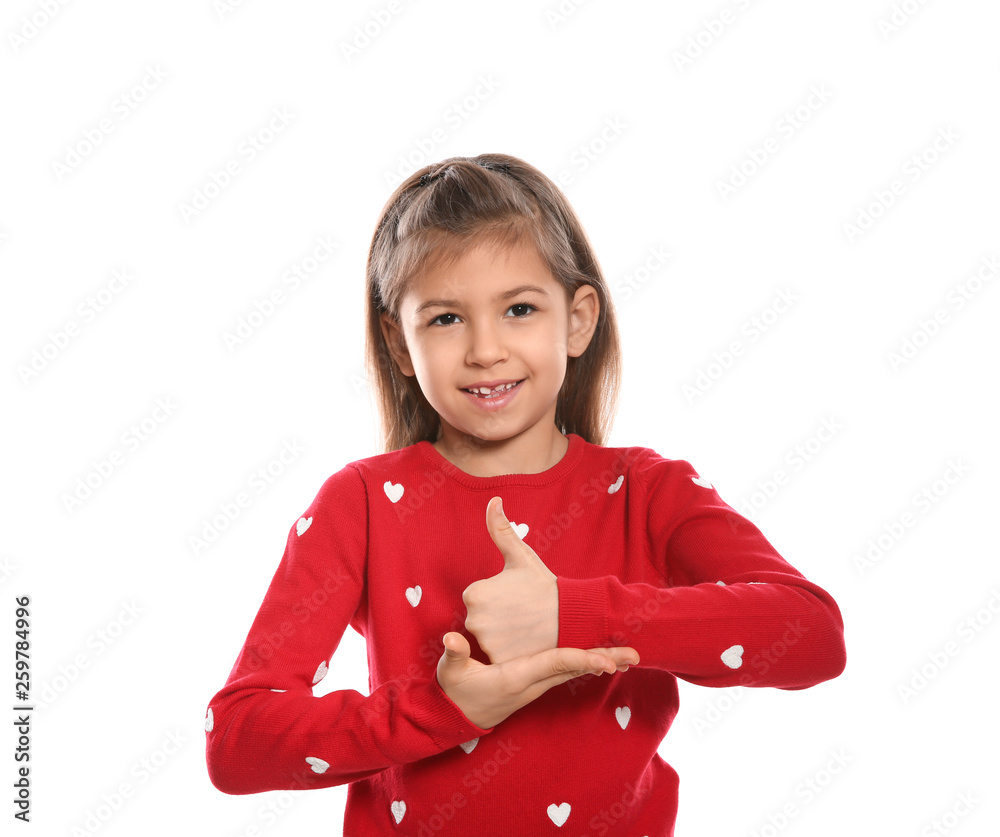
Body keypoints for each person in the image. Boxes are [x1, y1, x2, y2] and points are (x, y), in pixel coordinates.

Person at [204, 153, 846, 835]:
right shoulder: (360, 502)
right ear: (398, 340)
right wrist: (442, 710)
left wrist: (575, 612)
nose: (486, 350)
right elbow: (237, 741)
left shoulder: (647, 491)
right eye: (446, 319)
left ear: (577, 319)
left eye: (518, 309)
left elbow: (812, 634)